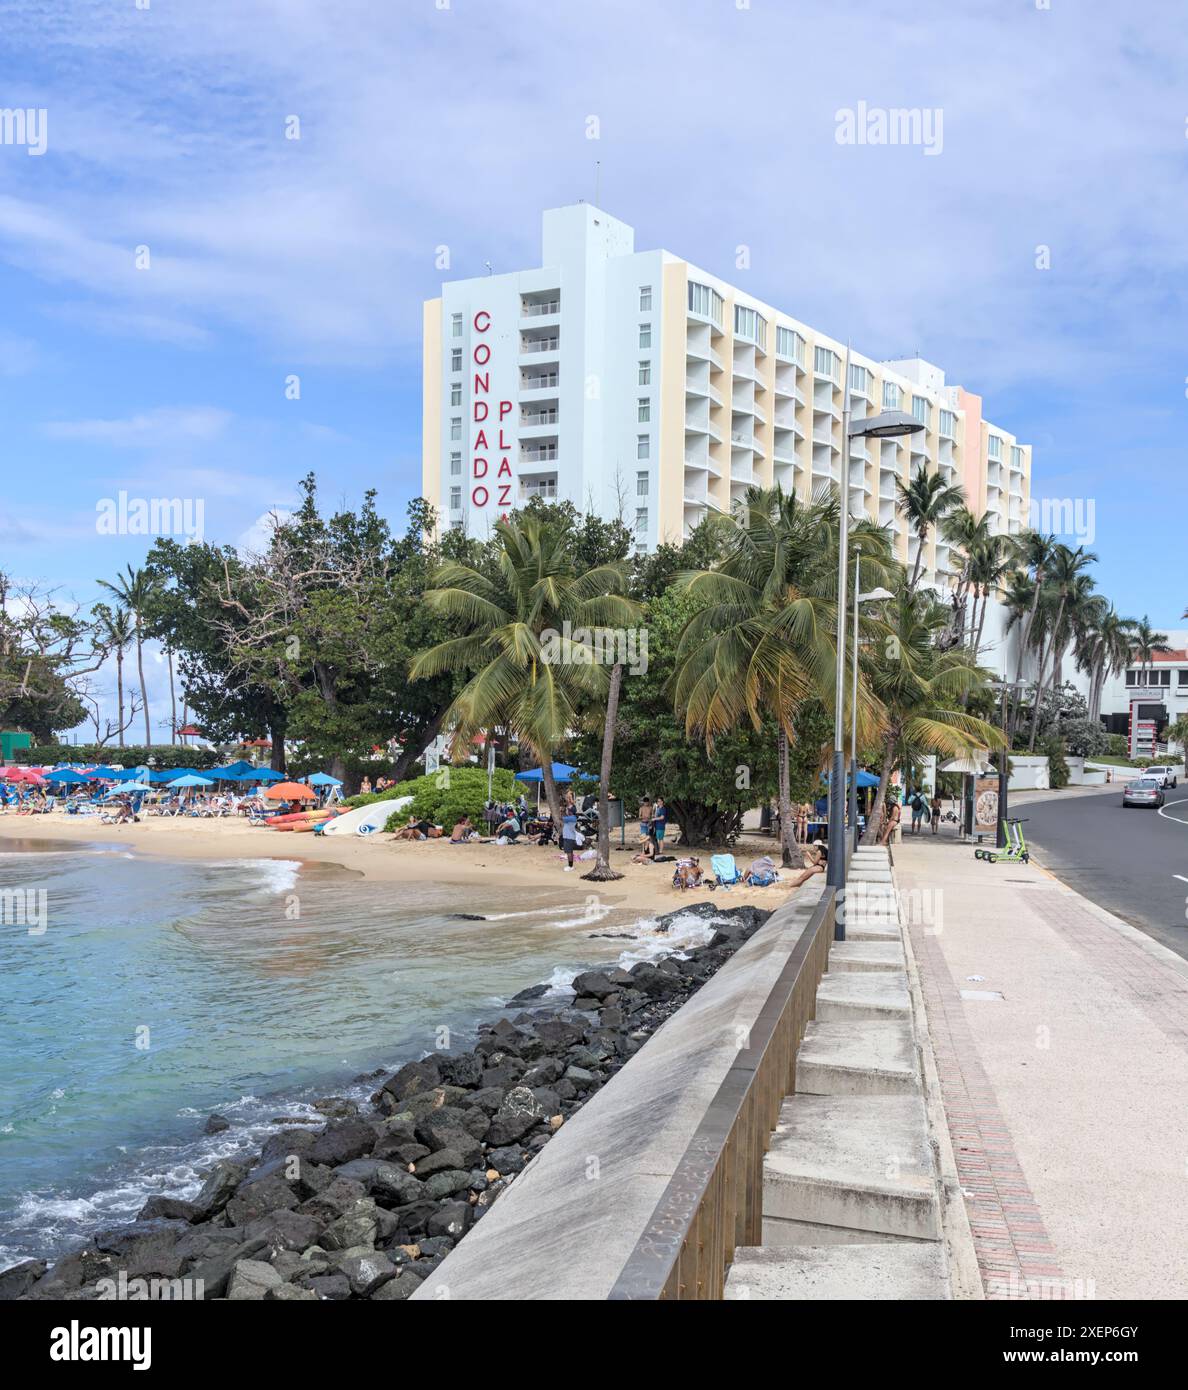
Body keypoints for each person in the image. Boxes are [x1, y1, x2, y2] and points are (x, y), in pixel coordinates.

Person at [560, 804, 579, 870]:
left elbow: (562, 818)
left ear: (570, 812)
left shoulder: (571, 818)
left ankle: (570, 866)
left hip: (569, 837)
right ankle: (570, 865)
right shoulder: (572, 817)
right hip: (569, 837)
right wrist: (564, 811)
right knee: (569, 852)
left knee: (569, 852)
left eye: (568, 810)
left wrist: (562, 811)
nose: (567, 811)